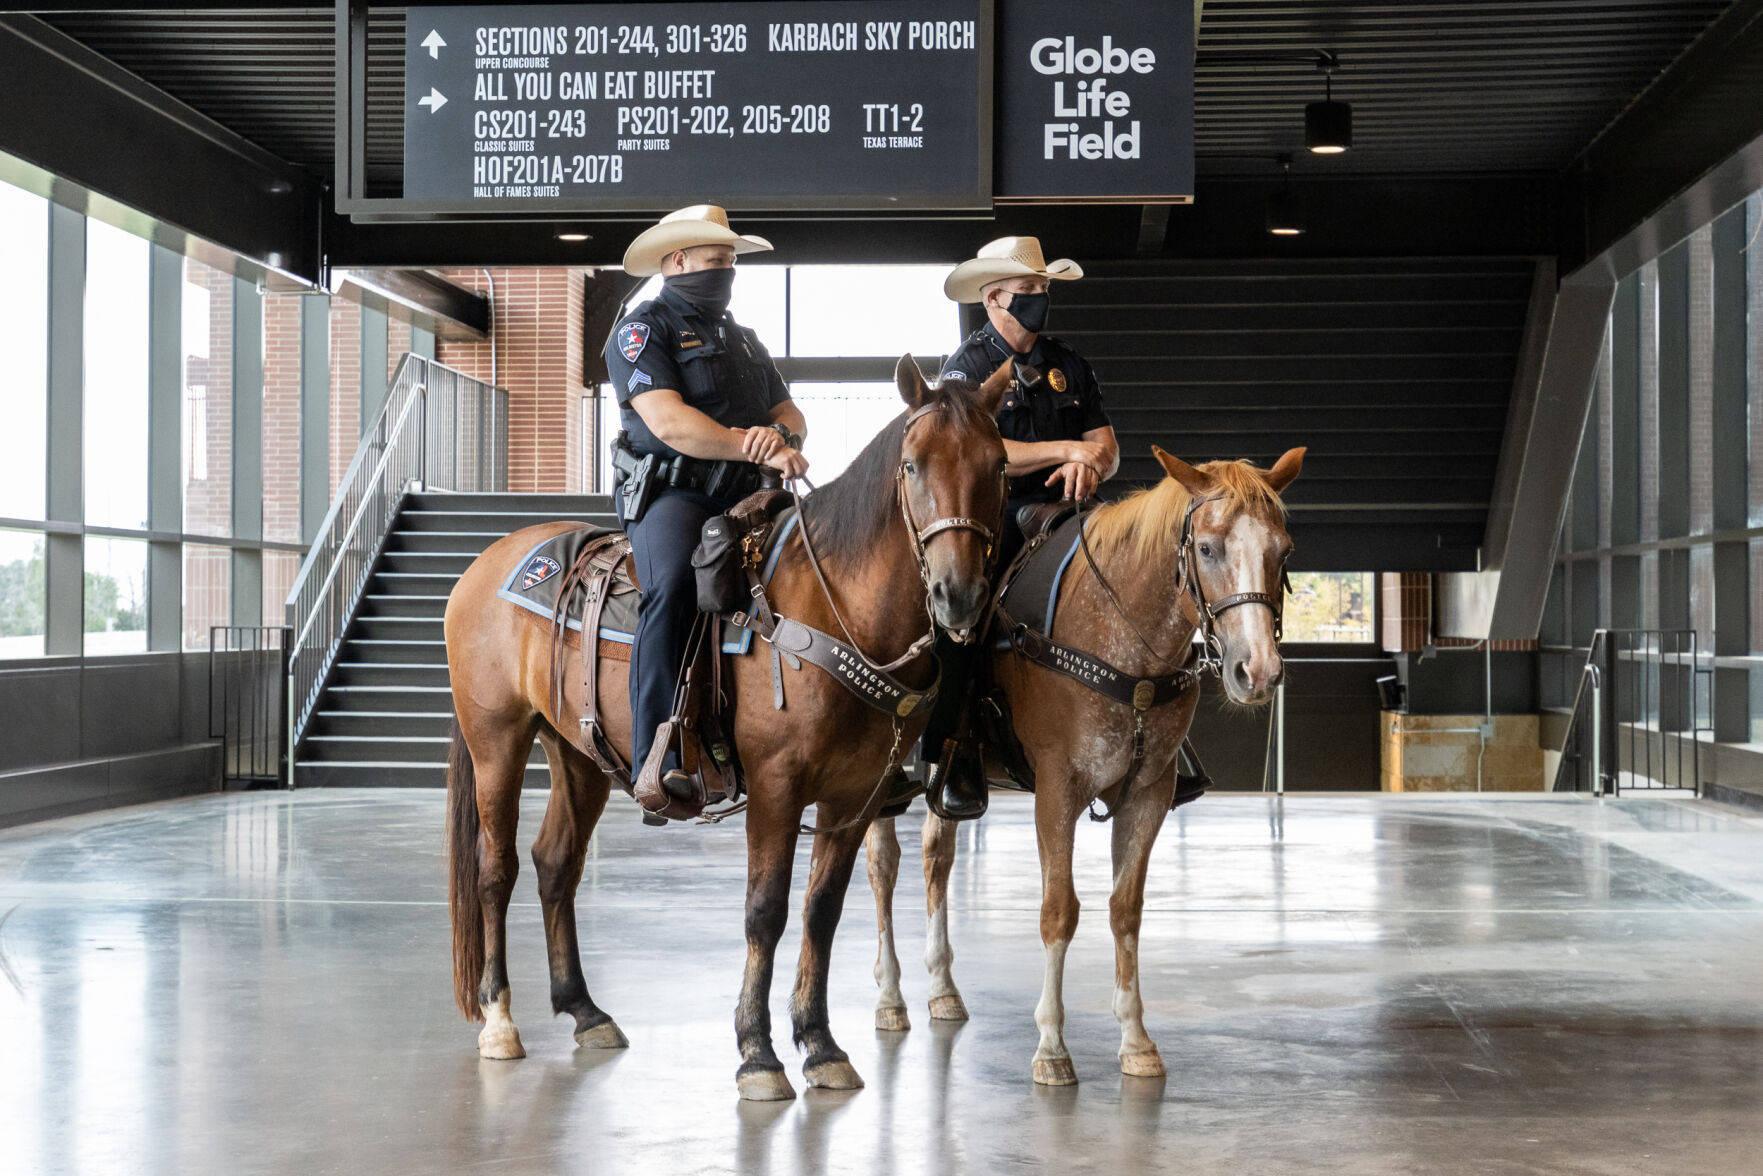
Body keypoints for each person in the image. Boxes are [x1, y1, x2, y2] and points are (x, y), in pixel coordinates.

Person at [602, 205, 808, 816]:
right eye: (717, 260)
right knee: (671, 588)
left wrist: (784, 441)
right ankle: (657, 760)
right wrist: (751, 441)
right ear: (678, 262)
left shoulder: (745, 338)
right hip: (675, 493)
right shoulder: (643, 329)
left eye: (731, 261)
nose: (727, 271)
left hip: (751, 494)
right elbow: (668, 421)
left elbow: (789, 412)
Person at [921, 236, 1120, 820]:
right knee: (962, 615)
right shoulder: (969, 366)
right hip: (996, 511)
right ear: (993, 299)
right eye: (1028, 291)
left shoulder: (1069, 364)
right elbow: (980, 447)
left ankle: (1158, 736)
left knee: (1135, 578)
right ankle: (953, 748)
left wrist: (1088, 465)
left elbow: (1106, 445)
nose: (1040, 299)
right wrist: (1066, 451)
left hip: (1072, 507)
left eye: (1043, 289)